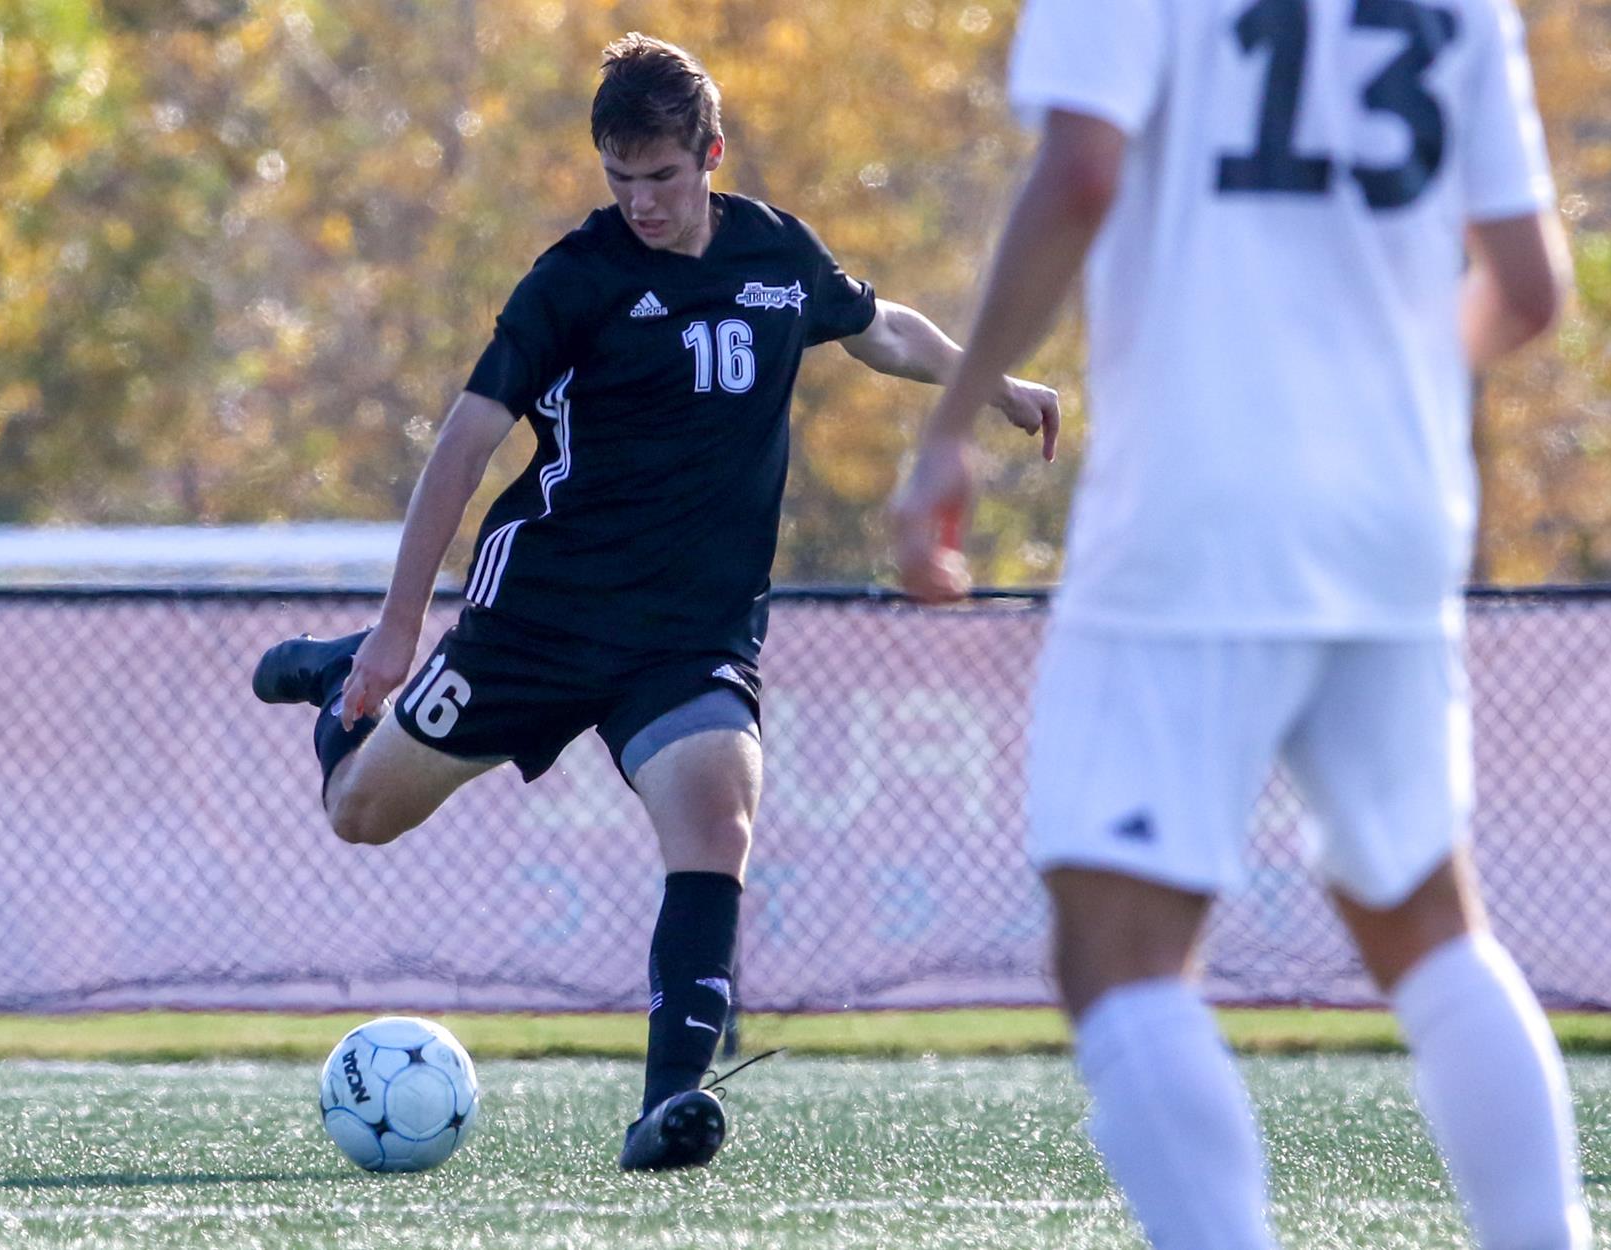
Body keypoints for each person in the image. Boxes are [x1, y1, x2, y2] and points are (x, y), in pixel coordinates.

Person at [254, 32, 1060, 1172]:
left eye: (661, 177)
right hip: (538, 620)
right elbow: (460, 447)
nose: (638, 201)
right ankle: (342, 685)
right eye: (618, 179)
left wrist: (995, 383)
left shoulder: (776, 253)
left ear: (710, 155)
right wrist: (394, 631)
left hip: (687, 635)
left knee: (716, 820)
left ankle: (668, 1103)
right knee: (360, 814)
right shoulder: (572, 281)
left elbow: (880, 330)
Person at [892, 0, 1589, 1245]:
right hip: (1393, 513)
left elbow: (1082, 170)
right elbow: (1530, 287)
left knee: (1118, 951)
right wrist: (1381, 390)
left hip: (1195, 510)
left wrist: (947, 428)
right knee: (1428, 925)